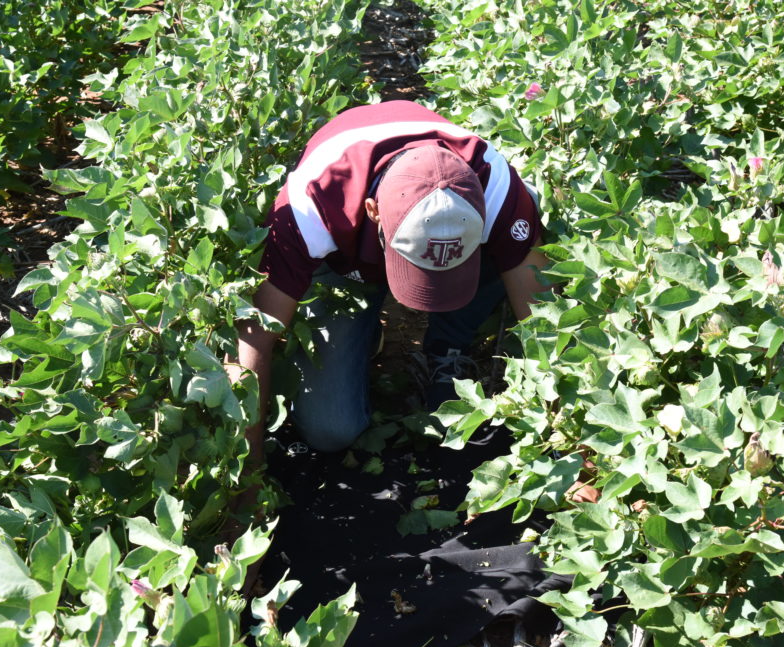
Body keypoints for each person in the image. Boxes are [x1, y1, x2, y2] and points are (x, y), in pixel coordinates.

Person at [225, 100, 550, 470]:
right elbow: (253, 338)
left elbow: (545, 324)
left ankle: (449, 347)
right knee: (330, 430)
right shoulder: (312, 202)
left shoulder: (494, 183)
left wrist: (571, 447)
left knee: (526, 218)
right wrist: (248, 470)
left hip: (419, 235)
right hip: (343, 266)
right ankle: (363, 330)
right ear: (372, 211)